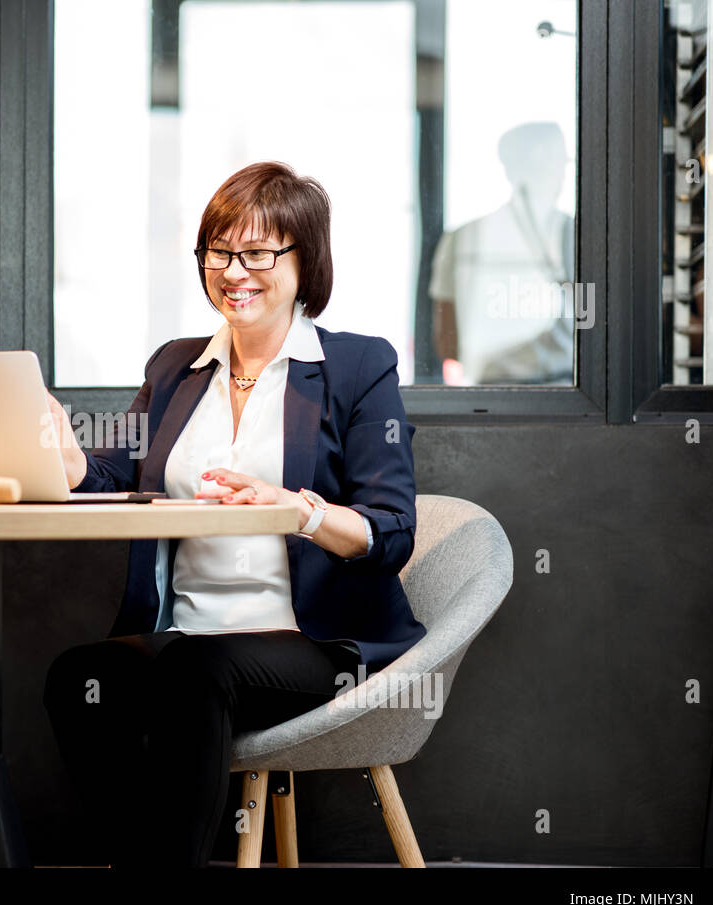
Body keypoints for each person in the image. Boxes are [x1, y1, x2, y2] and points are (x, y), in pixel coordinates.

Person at [41, 160, 427, 868]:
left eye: (257, 252)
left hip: (306, 641)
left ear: (304, 259)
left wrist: (299, 510)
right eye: (219, 251)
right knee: (79, 677)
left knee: (197, 671)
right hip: (186, 631)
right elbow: (112, 477)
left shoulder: (356, 368)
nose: (233, 270)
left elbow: (390, 528)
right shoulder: (176, 369)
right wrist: (60, 454)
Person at [428, 121, 574, 385]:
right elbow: (593, 324)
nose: (558, 174)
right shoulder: (579, 237)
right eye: (553, 164)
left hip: (490, 393)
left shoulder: (463, 239)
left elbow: (446, 341)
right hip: (566, 396)